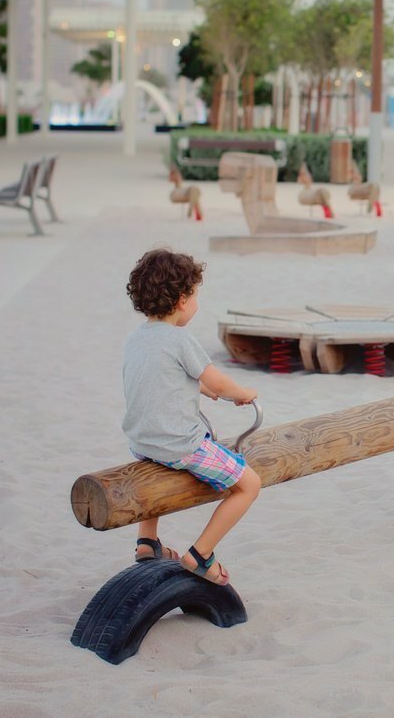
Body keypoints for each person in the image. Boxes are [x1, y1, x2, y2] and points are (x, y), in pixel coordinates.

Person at [121, 249, 262, 585]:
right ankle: (201, 554)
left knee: (157, 471)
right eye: (196, 295)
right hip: (180, 446)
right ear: (183, 299)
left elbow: (156, 378)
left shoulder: (137, 339)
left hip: (140, 443)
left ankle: (147, 541)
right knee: (249, 485)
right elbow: (217, 381)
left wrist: (195, 386)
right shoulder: (180, 339)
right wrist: (241, 393)